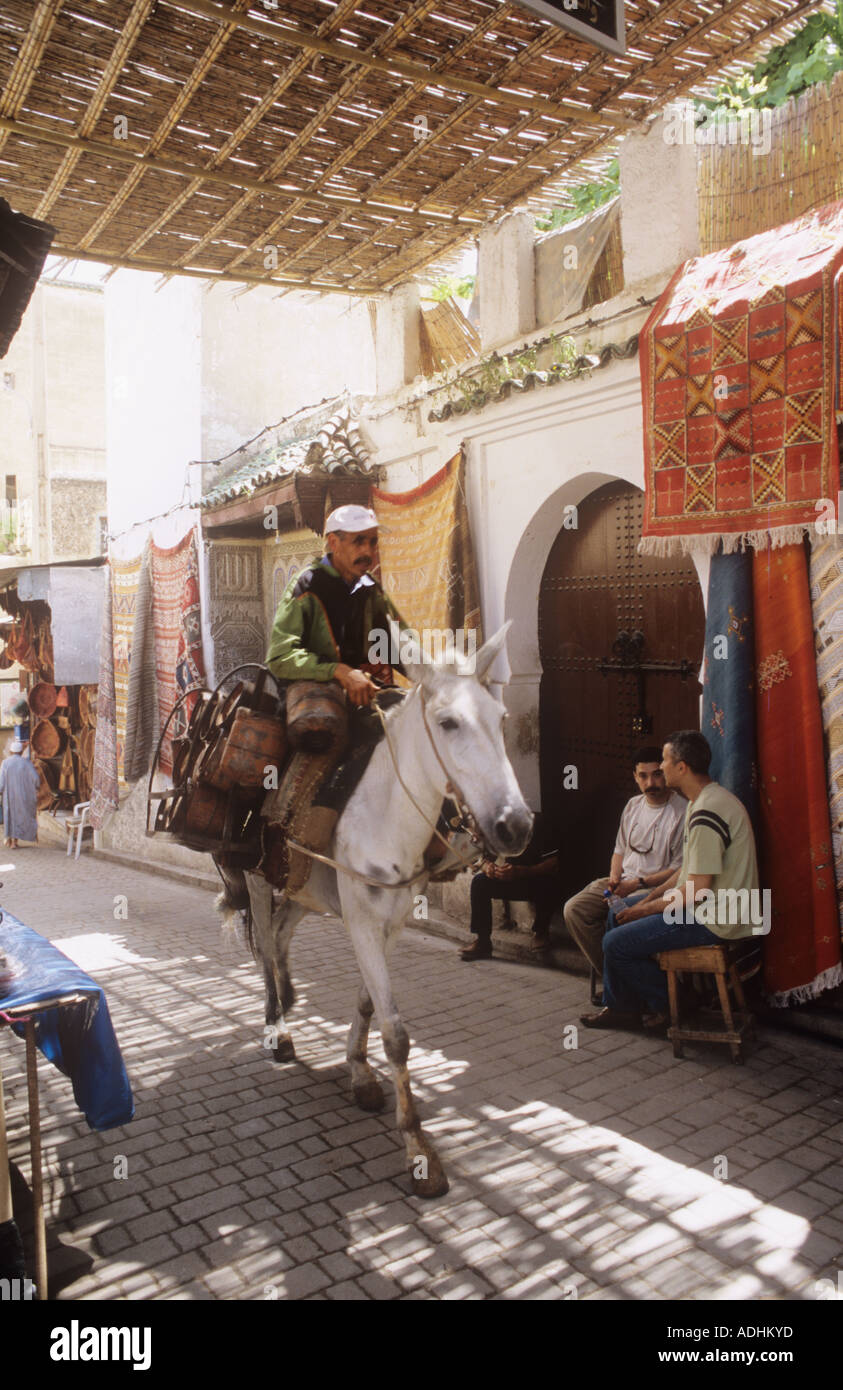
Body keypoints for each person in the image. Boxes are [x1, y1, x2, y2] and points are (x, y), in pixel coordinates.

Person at [581, 729, 760, 1031]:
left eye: (664, 761)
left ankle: (678, 1002)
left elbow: (697, 890)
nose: (661, 768)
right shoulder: (702, 800)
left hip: (721, 915)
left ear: (682, 767)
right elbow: (686, 870)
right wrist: (650, 896)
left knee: (614, 943)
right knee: (617, 913)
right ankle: (623, 1006)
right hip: (710, 905)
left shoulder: (707, 810)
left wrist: (646, 909)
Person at [563, 745, 686, 981]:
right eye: (643, 776)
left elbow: (677, 870)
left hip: (653, 887)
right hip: (623, 881)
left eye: (657, 774)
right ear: (635, 777)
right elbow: (619, 851)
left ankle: (624, 988)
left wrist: (638, 883)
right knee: (574, 910)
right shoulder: (632, 805)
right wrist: (614, 878)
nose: (651, 783)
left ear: (666, 772)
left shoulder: (681, 810)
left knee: (621, 913)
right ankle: (619, 980)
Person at [266, 504, 405, 705]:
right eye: (359, 542)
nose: (368, 551)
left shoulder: (370, 588)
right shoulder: (306, 586)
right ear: (334, 543)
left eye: (372, 542)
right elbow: (279, 658)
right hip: (315, 701)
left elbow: (397, 644)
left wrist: (435, 676)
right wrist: (339, 671)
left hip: (364, 695)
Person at [459, 814, 561, 961]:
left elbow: (553, 864)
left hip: (536, 880)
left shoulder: (540, 824)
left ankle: (541, 931)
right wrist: (488, 867)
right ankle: (483, 942)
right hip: (514, 881)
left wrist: (520, 871)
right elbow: (483, 858)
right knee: (480, 883)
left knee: (550, 883)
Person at [0, 739, 40, 848]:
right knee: (20, 817)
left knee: (10, 817)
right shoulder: (26, 763)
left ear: (11, 751)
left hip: (9, 796)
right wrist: (36, 788)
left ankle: (10, 839)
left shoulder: (5, 763)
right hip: (23, 796)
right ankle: (15, 841)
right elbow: (36, 779)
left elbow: (1, 783)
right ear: (21, 752)